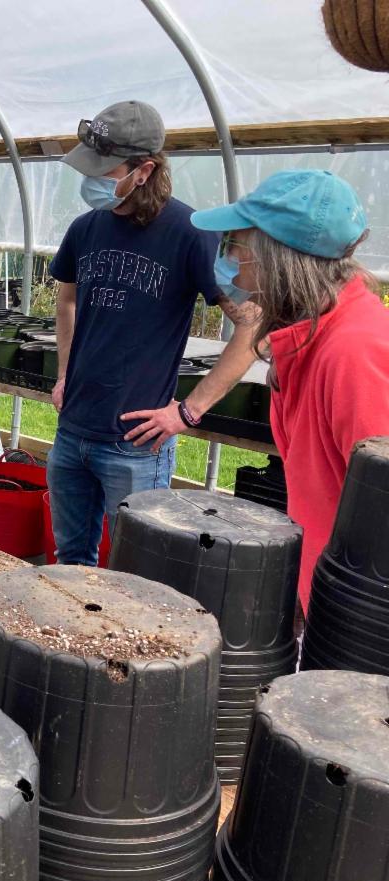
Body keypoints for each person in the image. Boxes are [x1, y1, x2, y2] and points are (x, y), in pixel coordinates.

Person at [47, 100, 259, 564]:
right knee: (70, 558)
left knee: (135, 567)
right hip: (72, 429)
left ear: (143, 171)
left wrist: (188, 412)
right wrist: (65, 374)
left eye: (105, 170)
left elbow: (251, 323)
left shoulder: (191, 233)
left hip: (136, 445)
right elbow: (67, 298)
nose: (91, 181)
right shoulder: (85, 229)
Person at [190, 170, 389, 609]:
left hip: (357, 620)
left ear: (276, 257)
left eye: (237, 243)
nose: (230, 257)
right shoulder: (309, 336)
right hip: (325, 593)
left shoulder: (355, 352)